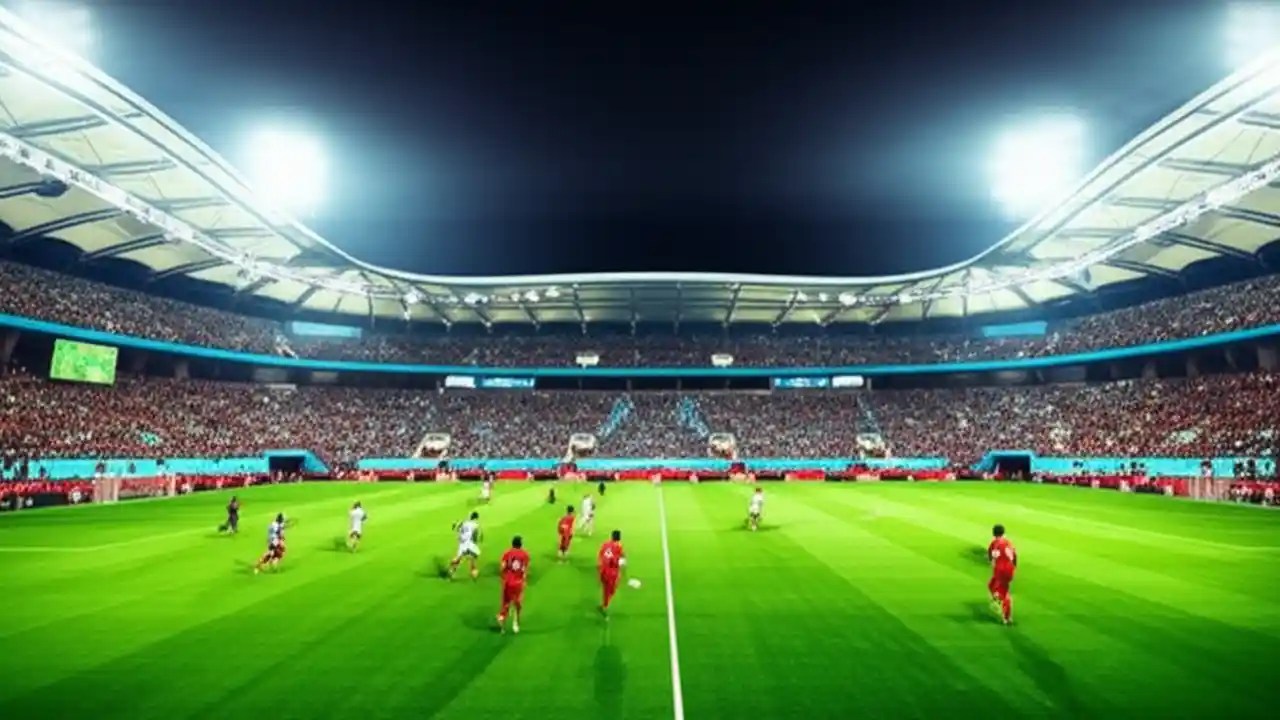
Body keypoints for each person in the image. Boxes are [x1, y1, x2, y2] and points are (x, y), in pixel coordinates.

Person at [496, 535, 530, 634]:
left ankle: (502, 620)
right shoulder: (525, 554)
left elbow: (502, 567)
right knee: (517, 604)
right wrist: (524, 580)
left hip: (507, 582)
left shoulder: (507, 553)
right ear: (521, 544)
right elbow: (524, 570)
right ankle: (516, 623)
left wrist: (503, 577)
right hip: (518, 583)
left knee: (506, 603)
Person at [987, 524, 1017, 625]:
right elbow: (1014, 555)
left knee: (1004, 593)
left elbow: (990, 556)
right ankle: (997, 595)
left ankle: (1007, 618)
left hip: (1000, 570)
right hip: (1008, 569)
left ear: (993, 534)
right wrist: (1014, 567)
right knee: (991, 584)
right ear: (1003, 533)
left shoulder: (993, 543)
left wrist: (993, 562)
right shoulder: (1008, 542)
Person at [598, 530, 625, 617]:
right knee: (611, 590)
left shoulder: (605, 544)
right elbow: (620, 561)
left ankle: (604, 604)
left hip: (603, 570)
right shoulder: (618, 547)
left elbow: (600, 554)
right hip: (612, 572)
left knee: (606, 589)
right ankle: (605, 606)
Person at [448, 511, 482, 580]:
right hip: (469, 543)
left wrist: (456, 528)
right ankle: (473, 572)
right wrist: (476, 541)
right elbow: (475, 535)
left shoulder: (464, 522)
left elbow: (456, 528)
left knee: (459, 558)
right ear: (476, 518)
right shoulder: (475, 525)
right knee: (473, 557)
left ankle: (451, 570)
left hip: (462, 543)